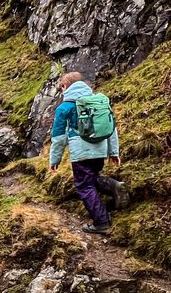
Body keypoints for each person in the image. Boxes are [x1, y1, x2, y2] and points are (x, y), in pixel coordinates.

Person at [48, 71, 128, 234]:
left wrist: (54, 160)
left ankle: (102, 222)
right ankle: (113, 186)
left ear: (65, 86)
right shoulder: (98, 102)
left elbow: (58, 137)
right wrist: (113, 152)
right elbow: (111, 128)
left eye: (61, 87)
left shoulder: (64, 107)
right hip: (100, 149)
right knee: (91, 177)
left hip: (81, 153)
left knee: (84, 186)